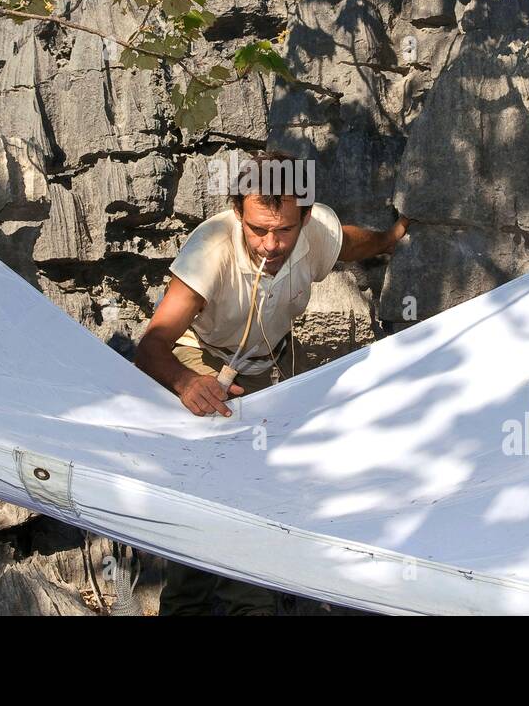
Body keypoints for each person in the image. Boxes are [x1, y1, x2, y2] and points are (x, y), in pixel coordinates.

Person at [134, 149, 410, 615]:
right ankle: (236, 604)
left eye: (284, 230)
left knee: (227, 490)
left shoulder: (315, 231)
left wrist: (389, 237)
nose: (269, 244)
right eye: (257, 228)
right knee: (236, 491)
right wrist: (186, 383)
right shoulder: (212, 247)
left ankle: (196, 598)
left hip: (267, 370)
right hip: (198, 362)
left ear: (305, 217)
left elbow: (345, 242)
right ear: (237, 211)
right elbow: (150, 346)